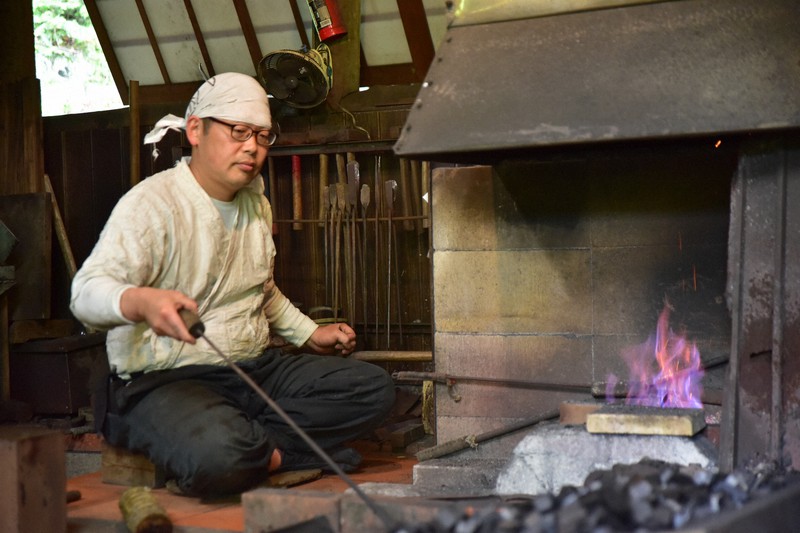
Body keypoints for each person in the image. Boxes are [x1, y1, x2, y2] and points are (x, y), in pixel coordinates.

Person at [70, 72, 395, 498]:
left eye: (262, 136)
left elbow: (262, 290)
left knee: (373, 388)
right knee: (218, 455)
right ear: (195, 130)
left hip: (254, 370)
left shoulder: (256, 205)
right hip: (167, 381)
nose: (252, 147)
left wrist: (309, 333)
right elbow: (85, 293)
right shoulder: (152, 204)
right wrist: (140, 301)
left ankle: (258, 450)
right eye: (239, 132)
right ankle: (272, 449)